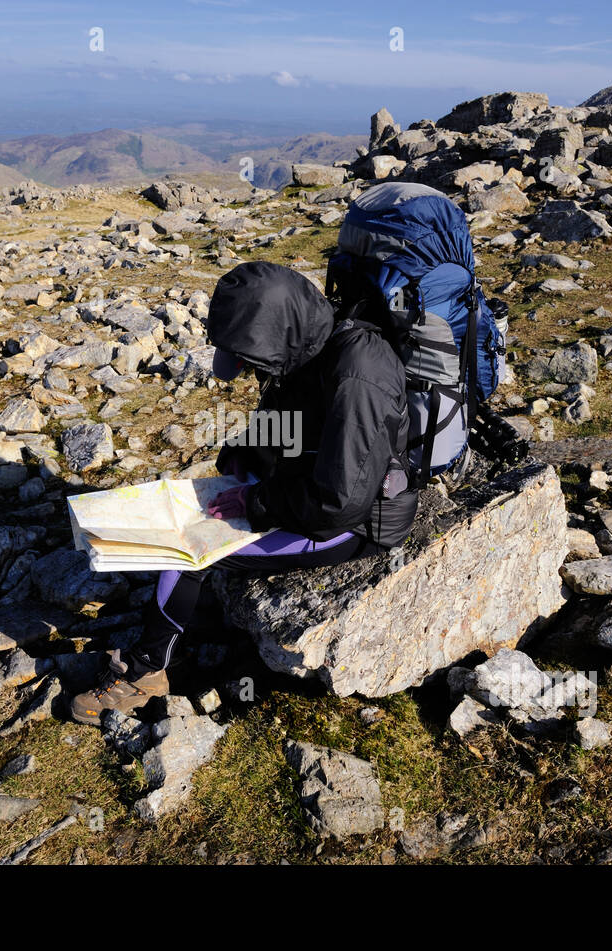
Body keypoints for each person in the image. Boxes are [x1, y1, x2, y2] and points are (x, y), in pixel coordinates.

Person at [70, 260, 419, 725]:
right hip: (308, 489)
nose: (252, 373)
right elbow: (286, 421)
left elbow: (340, 501)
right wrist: (246, 453)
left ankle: (146, 672)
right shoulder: (307, 349)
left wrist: (257, 504)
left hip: (357, 522)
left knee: (190, 551)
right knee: (195, 516)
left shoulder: (358, 376)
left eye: (253, 363)